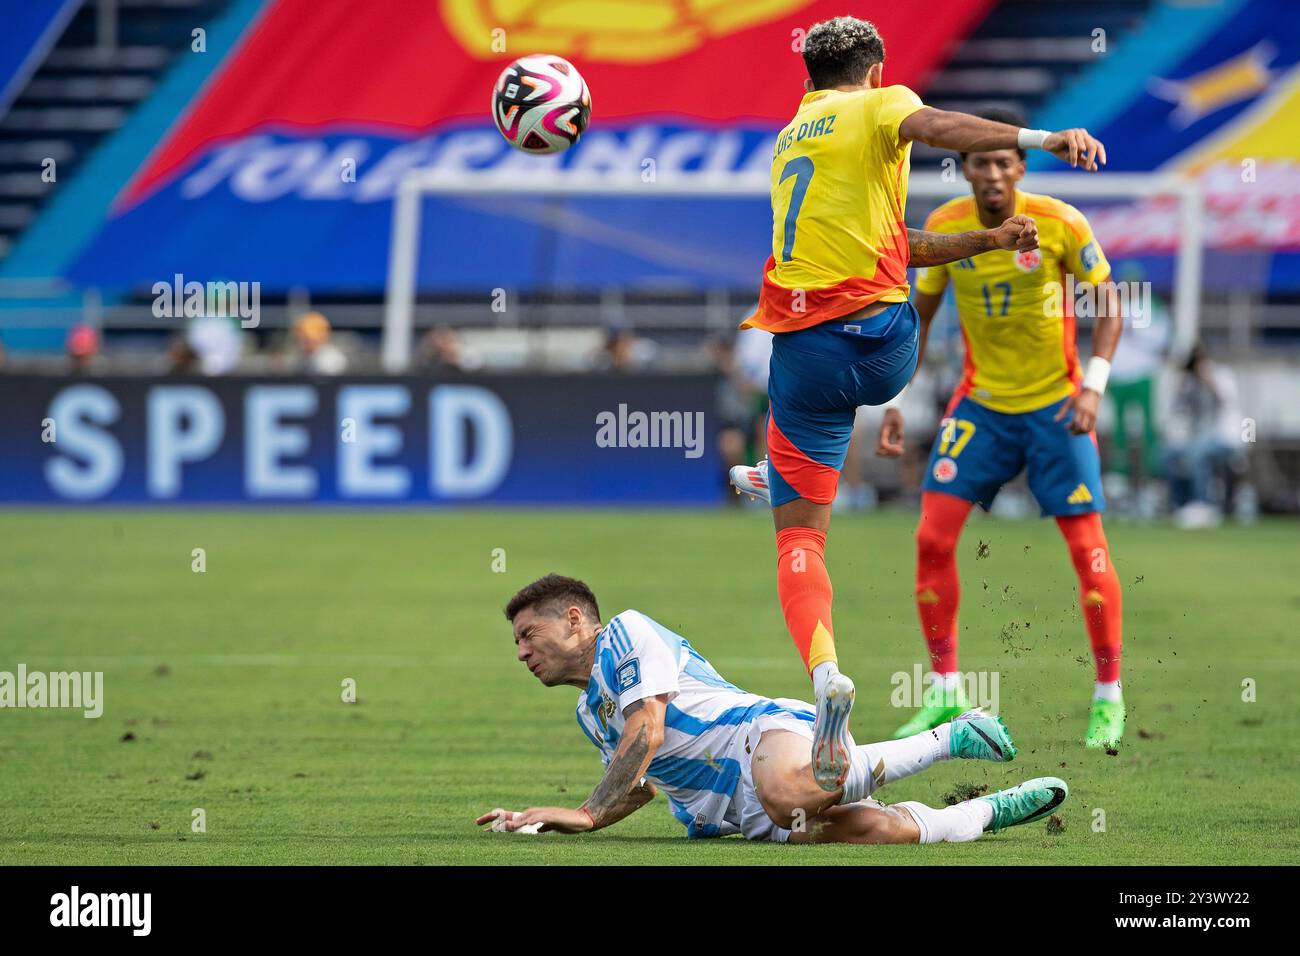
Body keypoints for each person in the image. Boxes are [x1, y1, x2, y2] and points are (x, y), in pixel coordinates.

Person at [727, 15, 1105, 787]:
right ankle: (788, 473)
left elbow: (892, 243)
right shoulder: (878, 105)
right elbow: (937, 130)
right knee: (880, 314)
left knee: (798, 541)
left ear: (809, 75)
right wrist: (1041, 140)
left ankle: (824, 667)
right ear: (876, 71)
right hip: (883, 348)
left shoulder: (791, 136)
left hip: (805, 354)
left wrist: (987, 241)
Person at [878, 107, 1126, 749]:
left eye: (1003, 161)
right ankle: (944, 692)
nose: (992, 171)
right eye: (979, 161)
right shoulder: (945, 227)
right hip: (981, 408)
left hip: (1057, 407)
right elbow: (920, 316)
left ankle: (1107, 696)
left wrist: (1093, 388)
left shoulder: (1062, 223)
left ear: (1020, 166)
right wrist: (898, 399)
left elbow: (1110, 304)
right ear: (964, 169)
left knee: (1086, 550)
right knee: (932, 538)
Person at [479, 574, 1068, 844]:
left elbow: (646, 733)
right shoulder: (588, 712)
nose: (522, 652)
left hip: (760, 735)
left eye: (528, 635)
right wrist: (546, 818)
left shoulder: (627, 635)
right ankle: (990, 812)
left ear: (574, 619)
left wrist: (583, 813)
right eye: (517, 644)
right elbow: (638, 785)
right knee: (876, 830)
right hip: (741, 811)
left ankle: (947, 738)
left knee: (787, 794)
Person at [1163, 343, 1244, 528]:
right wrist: (1181, 386)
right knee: (1169, 453)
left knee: (1198, 452)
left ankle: (1203, 504)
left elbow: (1226, 402)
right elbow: (1178, 411)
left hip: (1226, 438)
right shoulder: (1190, 383)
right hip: (1198, 439)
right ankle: (1179, 505)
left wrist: (1208, 381)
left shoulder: (1222, 375)